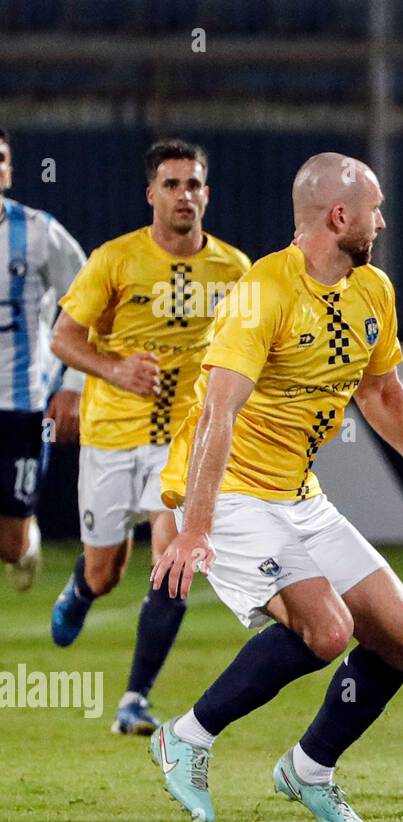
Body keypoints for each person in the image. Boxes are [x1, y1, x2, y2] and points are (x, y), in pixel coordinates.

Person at [148, 152, 403, 822]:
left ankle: (310, 769)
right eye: (375, 209)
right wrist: (195, 528)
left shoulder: (372, 289)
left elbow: (380, 390)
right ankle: (188, 736)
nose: (382, 220)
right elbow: (217, 415)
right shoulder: (264, 289)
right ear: (340, 215)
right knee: (327, 630)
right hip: (229, 491)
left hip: (297, 491)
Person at [49, 138, 251, 735]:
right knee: (106, 571)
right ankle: (84, 590)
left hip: (185, 439)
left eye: (193, 184)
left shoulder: (235, 269)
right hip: (112, 432)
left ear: (207, 194)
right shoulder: (114, 260)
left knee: (176, 560)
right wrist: (115, 368)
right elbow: (63, 337)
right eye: (171, 184)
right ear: (151, 195)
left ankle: (134, 698)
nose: (183, 195)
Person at [0, 126, 87, 591]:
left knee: (9, 543)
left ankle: (26, 542)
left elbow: (88, 302)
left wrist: (72, 384)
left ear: (9, 171)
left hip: (24, 406)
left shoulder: (37, 233)